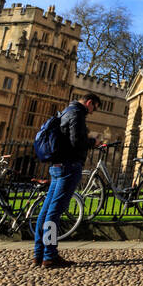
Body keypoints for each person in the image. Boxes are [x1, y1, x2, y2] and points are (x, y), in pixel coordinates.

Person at [34, 92, 99, 269]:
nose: (92, 112)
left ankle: (38, 253)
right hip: (68, 167)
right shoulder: (77, 114)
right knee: (54, 212)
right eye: (94, 107)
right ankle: (50, 256)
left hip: (57, 166)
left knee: (46, 210)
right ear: (89, 102)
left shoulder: (64, 112)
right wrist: (92, 142)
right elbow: (76, 142)